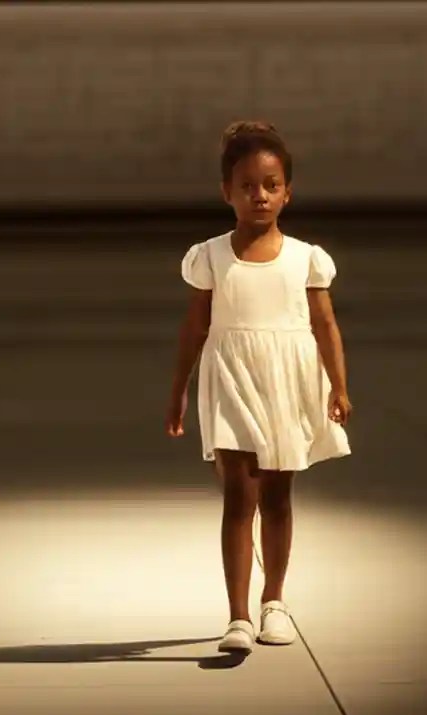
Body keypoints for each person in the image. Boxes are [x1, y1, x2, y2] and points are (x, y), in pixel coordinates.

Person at [165, 121, 352, 654]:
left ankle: (275, 601)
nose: (260, 195)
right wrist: (178, 388)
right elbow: (195, 327)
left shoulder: (305, 258)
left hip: (286, 383)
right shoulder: (210, 256)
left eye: (271, 185)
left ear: (288, 191)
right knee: (237, 496)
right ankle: (238, 616)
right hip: (230, 379)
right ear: (227, 192)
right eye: (248, 185)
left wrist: (339, 385)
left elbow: (325, 326)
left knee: (277, 496)